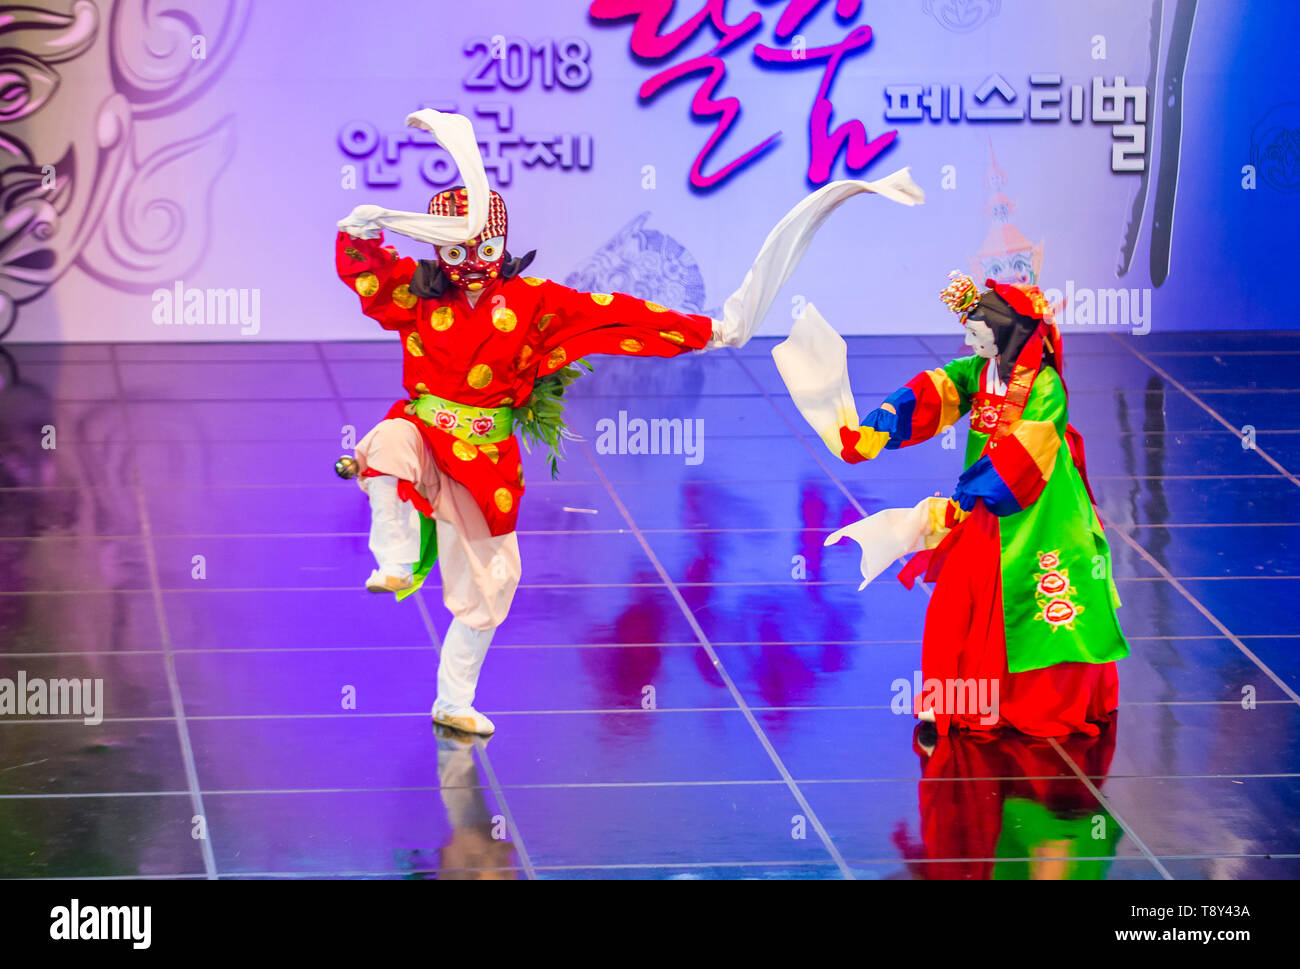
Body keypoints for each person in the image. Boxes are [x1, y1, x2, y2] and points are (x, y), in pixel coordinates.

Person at [336, 110, 924, 736]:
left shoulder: (536, 303)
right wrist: (358, 228)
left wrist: (705, 331)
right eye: (454, 245)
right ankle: (394, 556)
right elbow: (365, 272)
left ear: (501, 241)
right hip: (426, 435)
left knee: (492, 588)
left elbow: (615, 316)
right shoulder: (419, 297)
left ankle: (453, 699)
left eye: (481, 243)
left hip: (484, 464)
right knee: (387, 443)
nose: (471, 258)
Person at [836, 272, 1129, 738]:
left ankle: (1034, 702)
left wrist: (966, 498)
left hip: (1037, 507)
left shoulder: (1044, 386)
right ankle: (950, 697)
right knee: (958, 598)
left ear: (1006, 335)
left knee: (1038, 600)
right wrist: (879, 427)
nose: (967, 342)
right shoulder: (978, 371)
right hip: (984, 497)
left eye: (975, 334)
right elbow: (933, 392)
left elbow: (1025, 452)